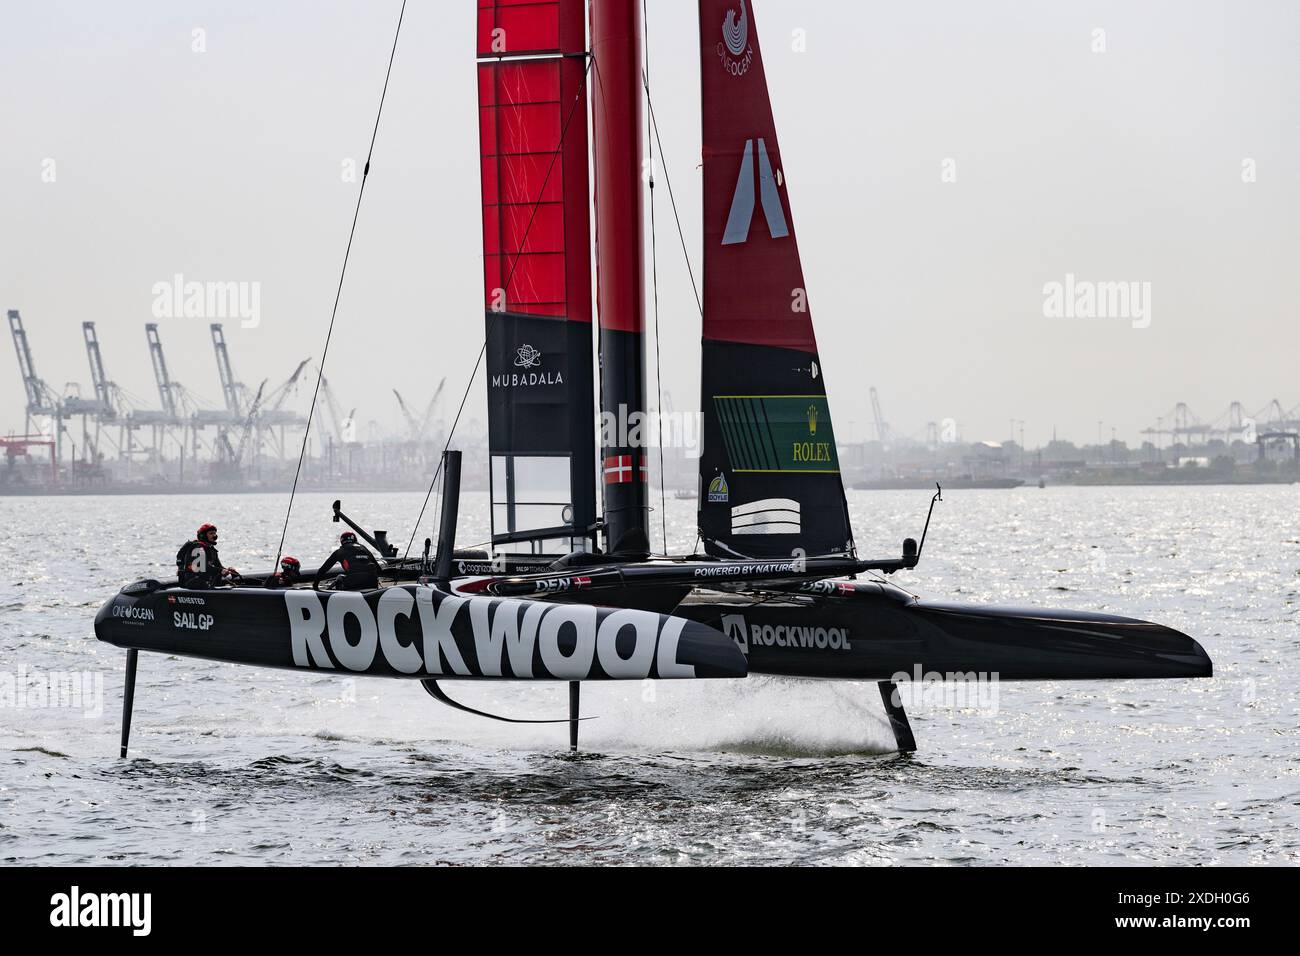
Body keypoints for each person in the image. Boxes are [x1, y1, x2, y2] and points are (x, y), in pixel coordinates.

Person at [176, 523, 239, 589]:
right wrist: (220, 571)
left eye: (215, 533)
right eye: (211, 533)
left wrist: (228, 570)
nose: (214, 536)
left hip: (205, 580)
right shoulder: (198, 548)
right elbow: (204, 567)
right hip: (193, 581)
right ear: (203, 535)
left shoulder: (212, 550)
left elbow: (218, 566)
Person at [314, 531, 380, 590]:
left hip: (353, 584)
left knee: (340, 577)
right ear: (355, 540)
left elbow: (323, 569)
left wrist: (315, 586)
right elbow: (378, 569)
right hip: (372, 583)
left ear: (342, 542)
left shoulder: (339, 551)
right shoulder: (364, 549)